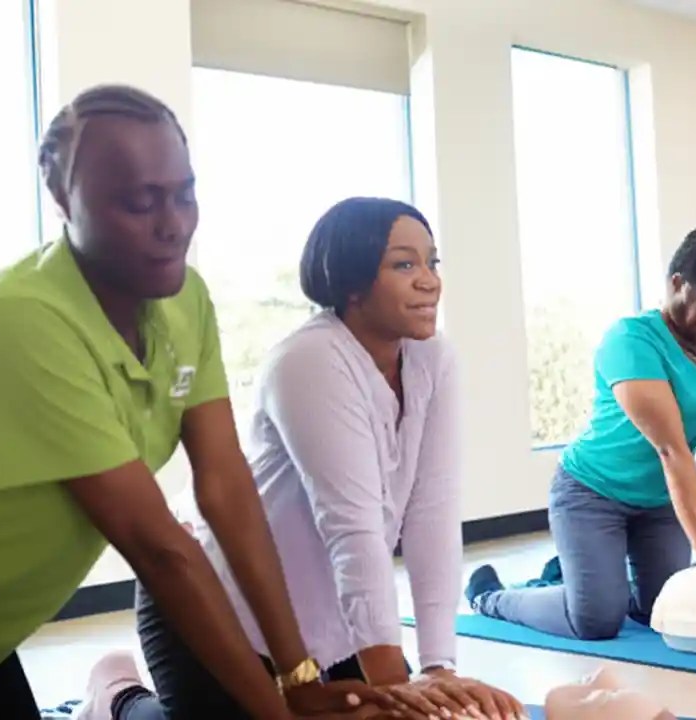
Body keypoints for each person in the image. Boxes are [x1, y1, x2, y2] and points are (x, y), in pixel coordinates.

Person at [0, 85, 380, 720]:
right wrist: (276, 715)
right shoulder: (21, 321)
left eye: (184, 193)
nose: (172, 223)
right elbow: (156, 548)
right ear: (64, 199)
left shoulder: (186, 301)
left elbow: (226, 485)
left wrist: (298, 677)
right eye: (138, 202)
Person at [78, 198, 523, 720]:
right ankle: (116, 697)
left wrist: (437, 668)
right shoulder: (310, 360)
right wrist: (397, 686)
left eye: (432, 262)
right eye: (404, 264)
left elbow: (433, 513)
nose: (429, 280)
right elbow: (351, 527)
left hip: (329, 621)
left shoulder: (433, 358)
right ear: (351, 281)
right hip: (217, 604)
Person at [465, 226, 696, 642]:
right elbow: (672, 450)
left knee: (666, 612)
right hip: (591, 492)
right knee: (596, 620)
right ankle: (491, 597)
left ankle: (577, 575)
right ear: (677, 284)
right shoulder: (630, 339)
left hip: (659, 504)